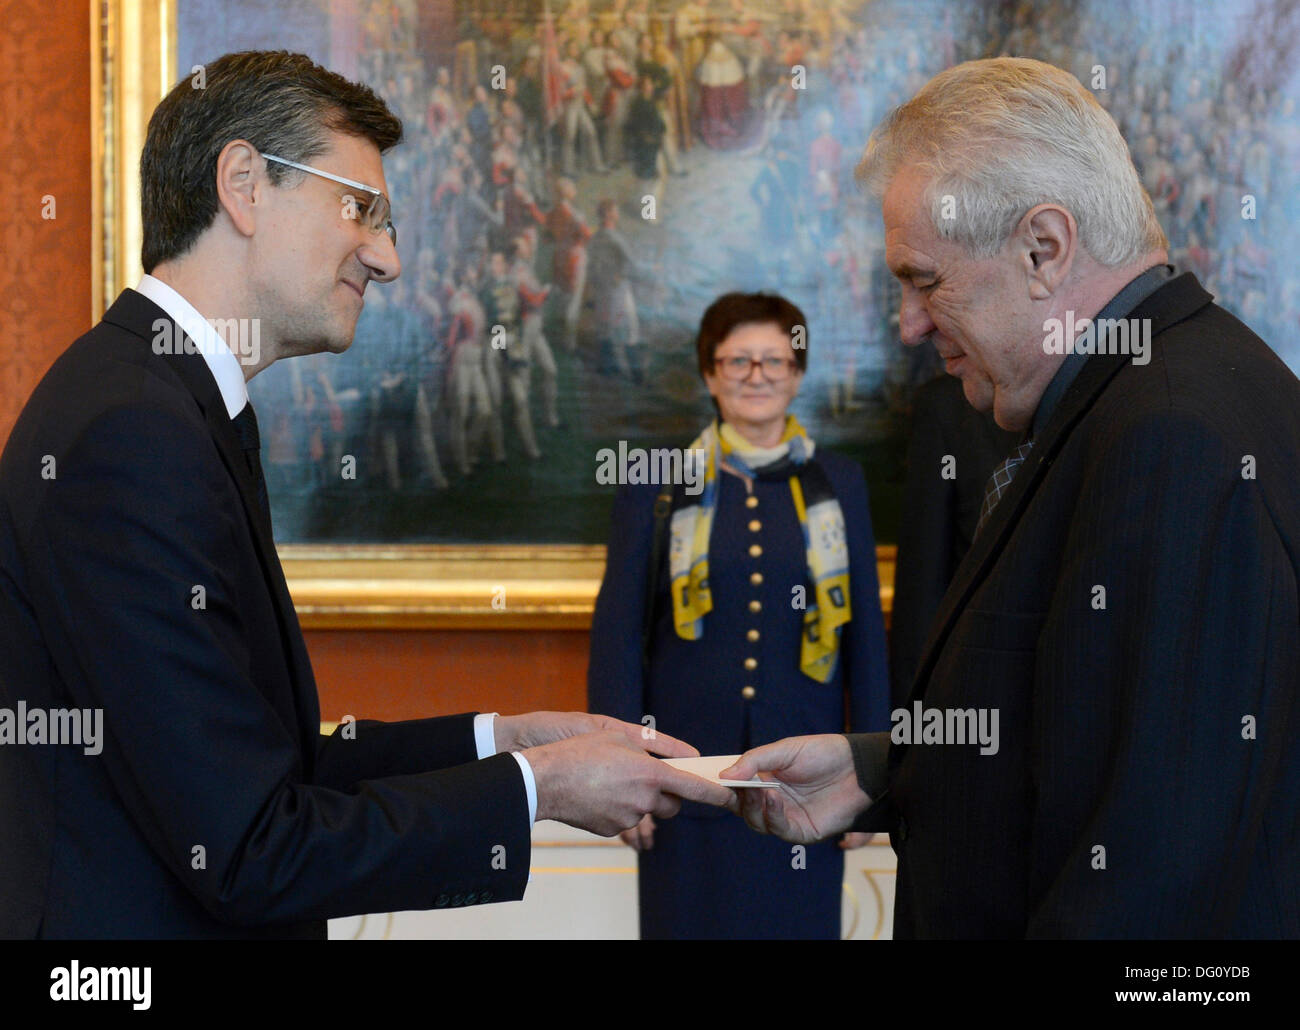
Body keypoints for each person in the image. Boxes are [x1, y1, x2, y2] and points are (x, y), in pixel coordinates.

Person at [0, 50, 732, 939]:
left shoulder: (162, 399)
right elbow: (248, 848)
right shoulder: (134, 429)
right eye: (362, 209)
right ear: (244, 184)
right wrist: (543, 788)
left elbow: (270, 767)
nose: (387, 257)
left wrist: (504, 742)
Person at [724, 57, 1300, 938]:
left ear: (1044, 249)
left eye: (924, 280)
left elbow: (1149, 883)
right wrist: (879, 769)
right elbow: (1079, 727)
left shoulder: (1171, 438)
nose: (910, 324)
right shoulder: (1145, 393)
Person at [588, 292, 890, 940]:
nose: (757, 376)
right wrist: (617, 768)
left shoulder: (840, 483)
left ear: (798, 372)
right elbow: (618, 638)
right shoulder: (657, 481)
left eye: (775, 361)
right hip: (682, 777)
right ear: (709, 372)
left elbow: (864, 635)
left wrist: (870, 776)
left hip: (805, 787)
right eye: (739, 361)